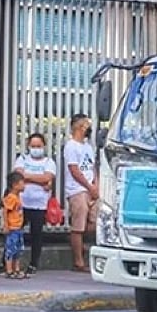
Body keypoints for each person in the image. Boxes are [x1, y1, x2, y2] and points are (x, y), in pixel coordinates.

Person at [13, 132, 57, 275]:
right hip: (21, 203)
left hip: (39, 204)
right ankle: (7, 262)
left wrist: (28, 177)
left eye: (38, 146)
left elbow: (48, 177)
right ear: (28, 146)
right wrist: (41, 180)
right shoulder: (21, 159)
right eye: (33, 146)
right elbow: (19, 176)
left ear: (43, 146)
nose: (36, 148)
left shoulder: (49, 162)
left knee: (36, 235)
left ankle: (33, 264)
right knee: (15, 233)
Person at [64, 113, 97, 272]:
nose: (88, 128)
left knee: (94, 223)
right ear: (78, 127)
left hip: (91, 189)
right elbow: (74, 170)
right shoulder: (71, 146)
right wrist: (88, 187)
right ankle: (78, 261)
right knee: (78, 225)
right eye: (86, 125)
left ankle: (81, 246)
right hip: (78, 190)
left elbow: (92, 167)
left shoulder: (88, 147)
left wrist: (95, 185)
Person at [2, 171, 28, 280]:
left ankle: (16, 269)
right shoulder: (11, 197)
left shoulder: (17, 197)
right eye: (22, 183)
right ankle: (9, 270)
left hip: (18, 228)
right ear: (15, 185)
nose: (24, 186)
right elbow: (5, 211)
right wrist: (6, 225)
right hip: (12, 228)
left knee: (18, 249)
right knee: (10, 249)